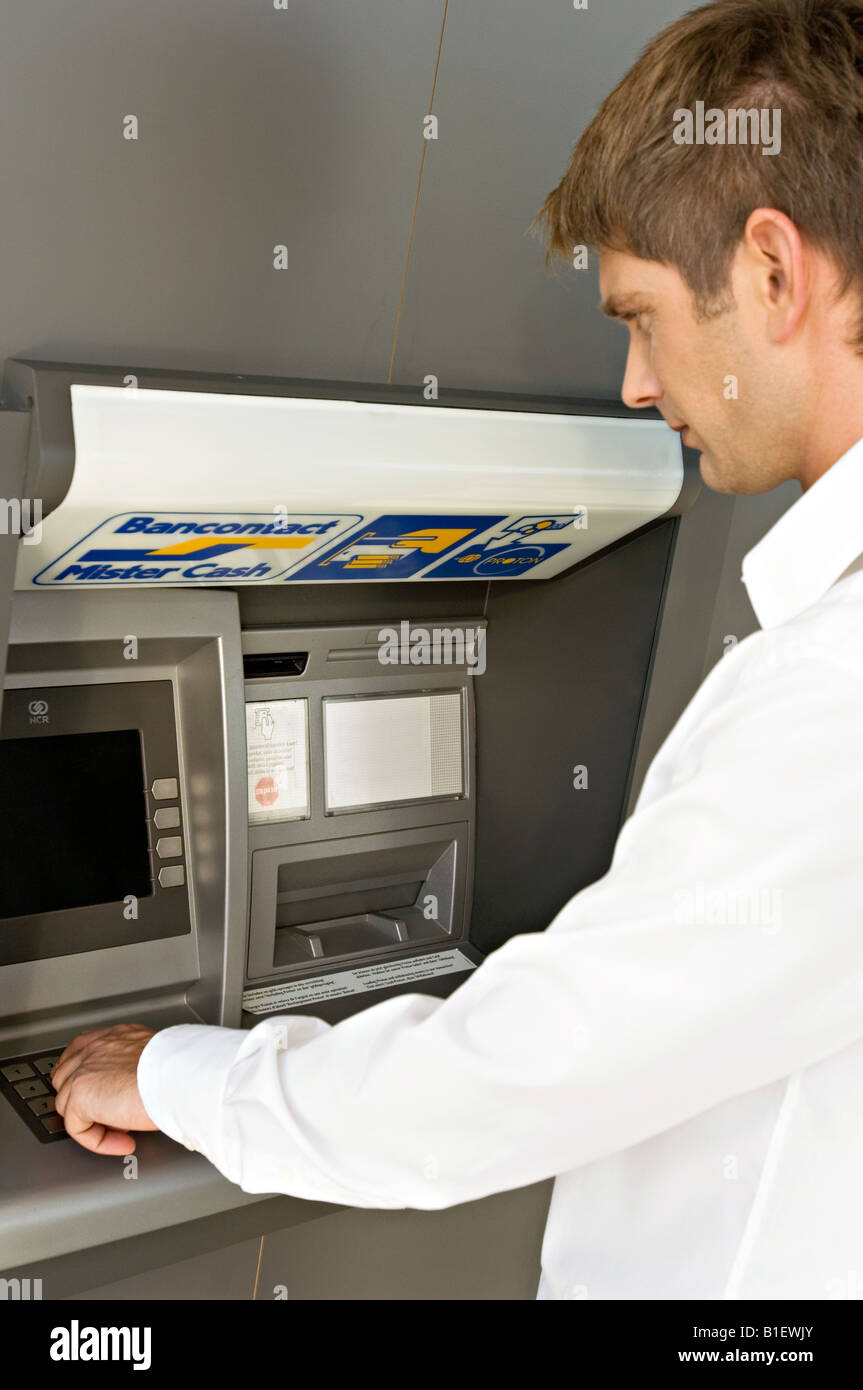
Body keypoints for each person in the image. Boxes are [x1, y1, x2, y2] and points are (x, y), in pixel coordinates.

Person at [50, 0, 863, 1299]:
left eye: (641, 315)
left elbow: (520, 1074)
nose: (635, 384)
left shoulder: (832, 691)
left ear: (773, 270)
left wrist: (174, 1072)